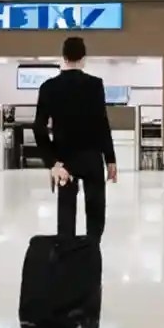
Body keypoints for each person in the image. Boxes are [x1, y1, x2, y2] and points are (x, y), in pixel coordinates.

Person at [32, 36, 118, 239]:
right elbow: (102, 124)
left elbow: (39, 127)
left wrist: (52, 162)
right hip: (92, 157)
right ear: (84, 58)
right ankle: (92, 255)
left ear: (63, 57)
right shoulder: (95, 85)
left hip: (65, 160)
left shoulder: (48, 87)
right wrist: (111, 159)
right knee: (95, 214)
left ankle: (67, 259)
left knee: (66, 215)